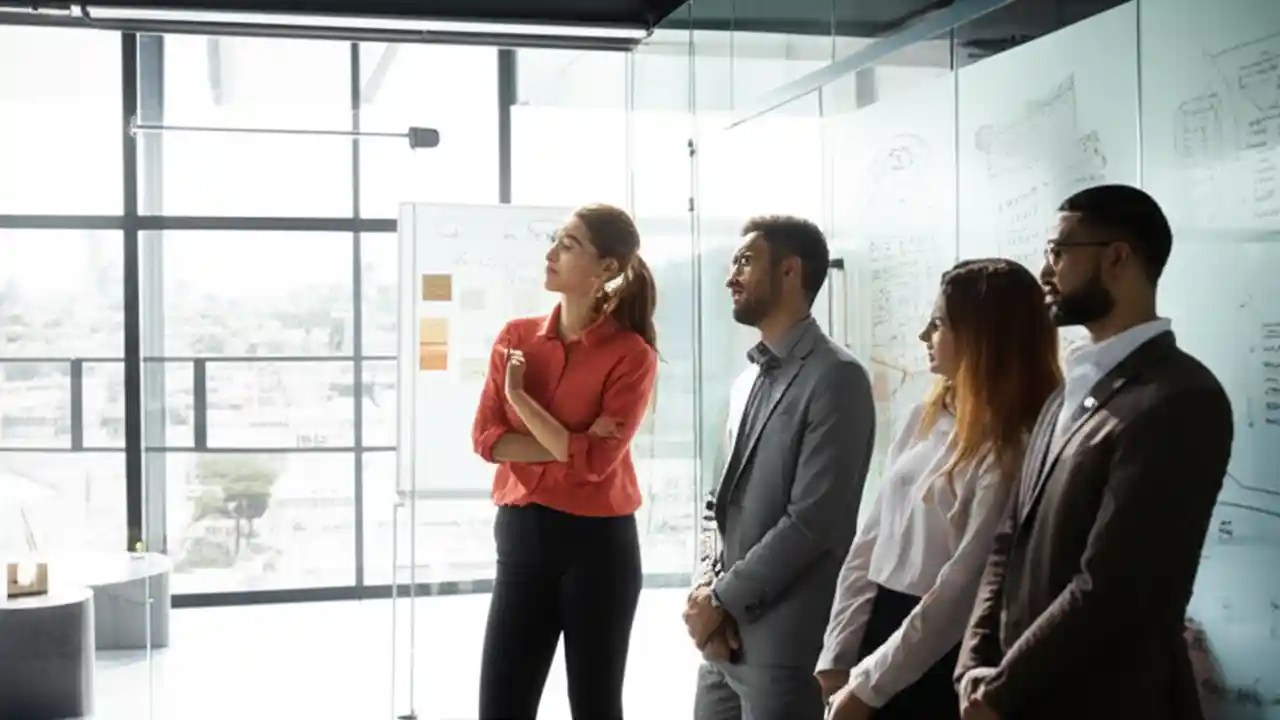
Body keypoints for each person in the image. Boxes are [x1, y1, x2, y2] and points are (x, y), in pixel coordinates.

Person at [954, 184, 1234, 720]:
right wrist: (973, 665)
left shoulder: (1179, 397)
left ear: (1117, 257)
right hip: (1016, 696)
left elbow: (1114, 585)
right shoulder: (1069, 388)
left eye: (1058, 252)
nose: (1044, 271)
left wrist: (1001, 688)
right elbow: (1008, 543)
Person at [816, 259, 1062, 720]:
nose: (924, 336)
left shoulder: (1013, 448)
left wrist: (870, 685)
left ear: (982, 335)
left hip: (940, 652)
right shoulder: (922, 418)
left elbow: (959, 590)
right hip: (881, 630)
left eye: (938, 323)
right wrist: (838, 651)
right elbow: (869, 542)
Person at [471, 203, 659, 720]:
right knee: (501, 708)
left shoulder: (632, 355)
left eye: (569, 245)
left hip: (599, 547)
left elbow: (597, 464)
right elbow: (486, 440)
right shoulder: (516, 338)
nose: (551, 254)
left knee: (596, 708)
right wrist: (570, 440)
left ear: (607, 267)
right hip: (521, 535)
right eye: (556, 241)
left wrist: (522, 401)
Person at [688, 215, 876, 720]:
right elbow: (716, 504)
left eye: (746, 262)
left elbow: (813, 520)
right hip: (722, 640)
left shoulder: (837, 377)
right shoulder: (747, 379)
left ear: (791, 271)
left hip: (786, 644)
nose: (732, 276)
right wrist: (706, 590)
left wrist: (724, 597)